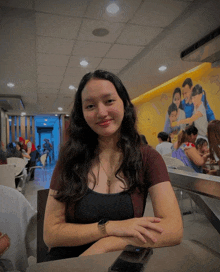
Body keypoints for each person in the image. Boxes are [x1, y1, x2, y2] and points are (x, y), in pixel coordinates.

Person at [43, 70, 183, 262]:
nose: (101, 112)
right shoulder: (69, 159)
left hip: (118, 262)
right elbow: (51, 234)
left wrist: (107, 244)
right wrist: (107, 227)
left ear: (124, 103)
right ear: (82, 114)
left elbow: (174, 229)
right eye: (90, 106)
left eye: (109, 101)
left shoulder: (148, 157)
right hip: (68, 263)